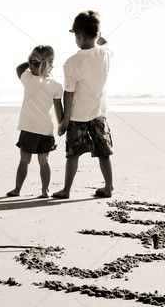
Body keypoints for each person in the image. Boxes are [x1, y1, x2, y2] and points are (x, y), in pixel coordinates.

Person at [52, 11, 114, 199]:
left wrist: (64, 120)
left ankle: (66, 190)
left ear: (78, 36)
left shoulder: (72, 63)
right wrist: (98, 34)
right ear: (97, 33)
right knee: (104, 153)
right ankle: (109, 187)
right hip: (98, 114)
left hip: (77, 116)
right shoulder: (105, 54)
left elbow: (69, 94)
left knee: (73, 154)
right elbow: (104, 42)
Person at [7, 45, 64, 198]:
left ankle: (41, 190)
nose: (32, 66)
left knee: (38, 160)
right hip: (37, 129)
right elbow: (59, 109)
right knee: (26, 160)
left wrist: (62, 123)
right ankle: (20, 189)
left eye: (37, 63)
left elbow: (59, 107)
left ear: (48, 65)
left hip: (37, 130)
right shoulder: (53, 84)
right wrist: (61, 124)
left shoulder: (29, 79)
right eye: (31, 62)